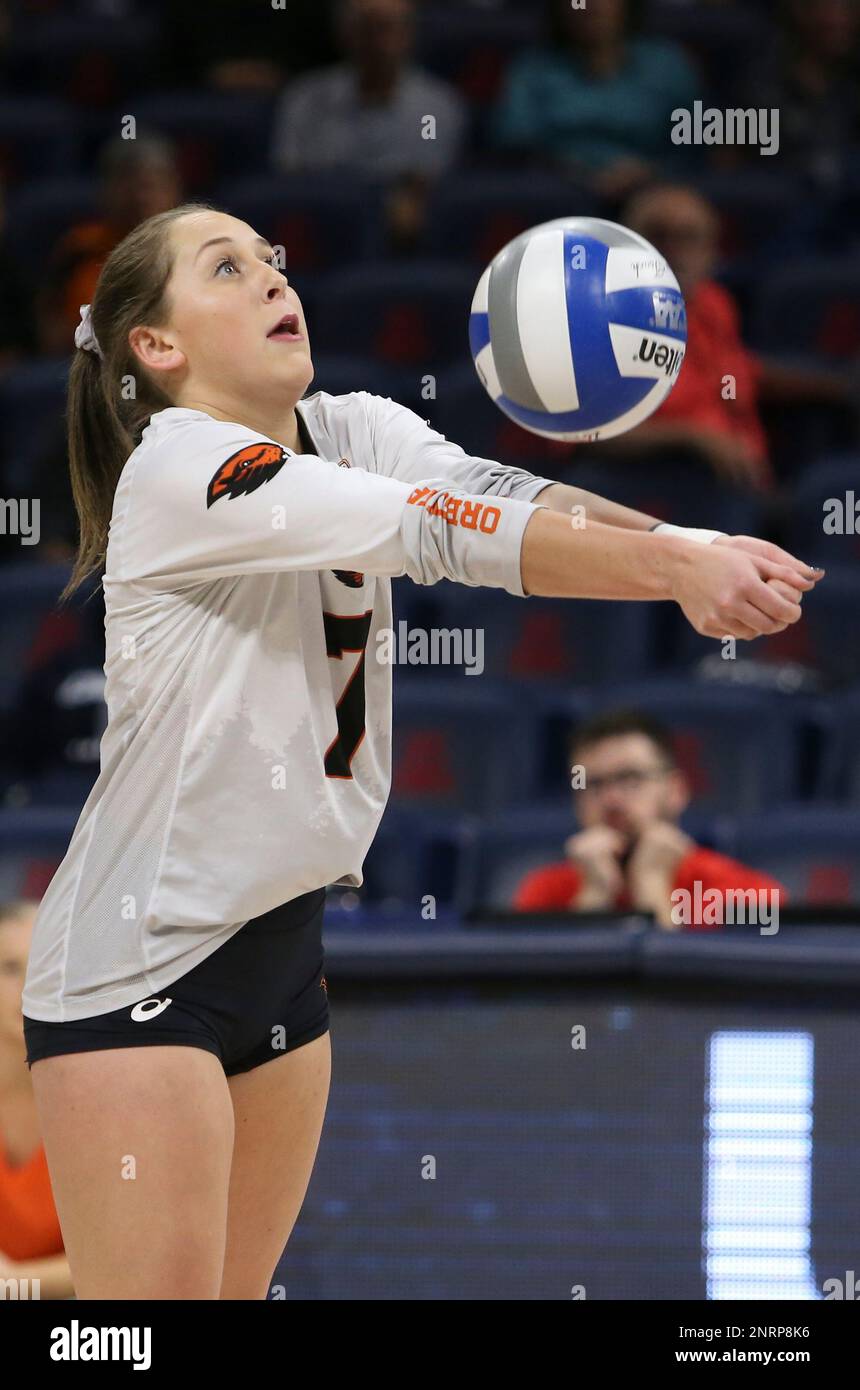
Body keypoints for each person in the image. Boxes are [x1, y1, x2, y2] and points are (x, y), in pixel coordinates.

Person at [20, 201, 821, 1300]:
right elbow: (437, 530)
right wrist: (673, 573)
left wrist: (684, 544)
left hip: (277, 943)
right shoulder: (181, 468)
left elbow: (503, 499)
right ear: (156, 346)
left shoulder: (350, 425)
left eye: (270, 258)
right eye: (225, 267)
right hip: (137, 964)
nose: (269, 278)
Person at [617, 182, 854, 489]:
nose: (673, 251)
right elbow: (591, 436)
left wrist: (833, 386)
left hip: (744, 479)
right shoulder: (607, 323)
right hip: (661, 484)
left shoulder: (714, 302)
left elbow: (737, 373)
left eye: (689, 238)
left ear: (712, 253)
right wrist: (693, 438)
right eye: (658, 236)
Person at [513, 710, 786, 927]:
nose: (611, 800)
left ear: (676, 790)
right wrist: (594, 896)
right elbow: (548, 992)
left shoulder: (741, 891)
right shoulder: (544, 891)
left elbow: (704, 992)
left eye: (630, 779)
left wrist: (652, 884)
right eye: (592, 784)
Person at [270, 0, 466, 249]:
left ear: (408, 34)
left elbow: (426, 180)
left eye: (385, 28)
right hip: (317, 228)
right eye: (365, 28)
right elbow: (290, 176)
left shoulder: (437, 107)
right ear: (345, 33)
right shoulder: (305, 99)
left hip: (398, 235)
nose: (375, 42)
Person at [491, 0, 699, 201]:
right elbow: (515, 146)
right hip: (555, 193)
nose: (591, 5)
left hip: (654, 191)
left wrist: (649, 171)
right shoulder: (532, 68)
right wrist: (578, 172)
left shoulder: (667, 63)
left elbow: (693, 145)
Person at [35, 135, 182, 357]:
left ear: (174, 188)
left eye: (150, 184)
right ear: (106, 190)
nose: (140, 196)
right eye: (127, 182)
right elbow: (50, 322)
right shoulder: (79, 246)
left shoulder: (191, 248)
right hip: (86, 364)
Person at [0, 900, 74, 1298]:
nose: (29, 984)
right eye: (11, 968)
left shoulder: (104, 1105)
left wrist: (14, 1286)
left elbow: (137, 1259)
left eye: (47, 965)